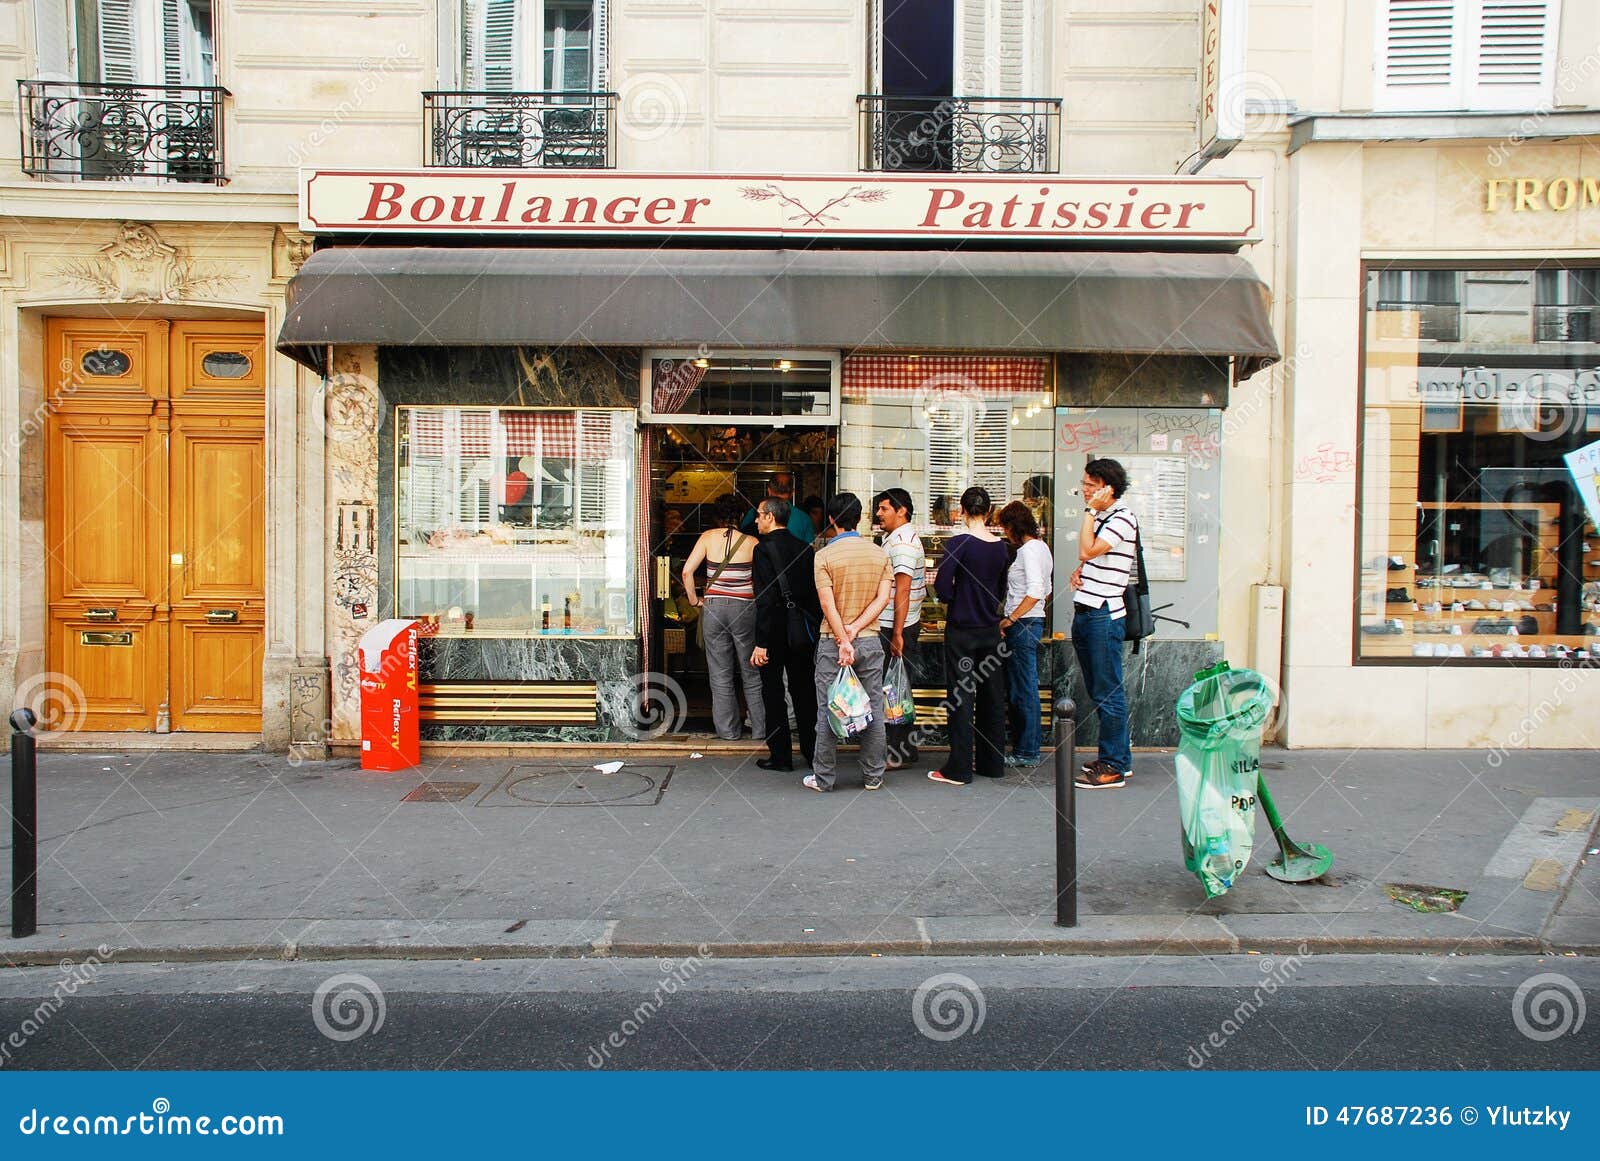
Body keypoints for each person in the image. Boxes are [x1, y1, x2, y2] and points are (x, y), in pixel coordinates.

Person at [807, 492, 892, 792]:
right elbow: (883, 599)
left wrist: (844, 638)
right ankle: (873, 777)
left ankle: (824, 778)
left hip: (834, 643)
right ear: (860, 519)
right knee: (873, 711)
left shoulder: (824, 556)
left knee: (828, 709)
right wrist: (856, 629)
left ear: (831, 519)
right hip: (869, 640)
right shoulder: (879, 554)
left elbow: (827, 605)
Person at [928, 486, 1011, 786]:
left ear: (962, 510)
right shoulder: (1001, 547)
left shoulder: (958, 543)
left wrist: (955, 598)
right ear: (989, 511)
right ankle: (992, 763)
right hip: (990, 630)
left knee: (961, 697)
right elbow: (1002, 588)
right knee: (992, 697)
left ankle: (959, 767)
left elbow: (941, 584)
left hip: (962, 630)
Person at [1071, 458, 1138, 789]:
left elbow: (1087, 550)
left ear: (1108, 488)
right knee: (1099, 689)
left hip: (1103, 614)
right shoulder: (1104, 517)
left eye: (1089, 486)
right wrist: (1082, 573)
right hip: (1087, 609)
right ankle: (1118, 758)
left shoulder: (1122, 518)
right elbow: (1092, 560)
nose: (1084, 491)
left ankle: (1112, 765)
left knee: (1108, 690)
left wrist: (1089, 513)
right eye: (1083, 485)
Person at [682, 493, 766, 742]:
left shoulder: (707, 538)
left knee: (720, 673)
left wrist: (694, 600)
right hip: (744, 608)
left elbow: (687, 572)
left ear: (716, 516)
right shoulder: (752, 542)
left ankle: (728, 732)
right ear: (741, 516)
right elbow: (760, 579)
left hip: (714, 607)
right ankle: (760, 731)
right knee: (751, 672)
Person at [750, 497, 820, 771]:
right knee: (804, 691)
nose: (756, 521)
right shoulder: (805, 548)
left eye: (758, 515)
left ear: (769, 517)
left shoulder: (763, 549)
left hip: (775, 629)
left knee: (773, 692)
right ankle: (811, 750)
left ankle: (780, 756)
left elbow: (765, 599)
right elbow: (813, 594)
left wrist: (761, 643)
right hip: (801, 630)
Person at [873, 488, 927, 769]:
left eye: (884, 509)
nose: (879, 514)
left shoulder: (903, 543)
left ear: (901, 510)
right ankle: (902, 749)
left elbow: (902, 589)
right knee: (895, 688)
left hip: (897, 627)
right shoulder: (896, 539)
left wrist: (896, 634)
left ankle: (899, 752)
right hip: (901, 624)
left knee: (893, 690)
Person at [997, 500, 1053, 767]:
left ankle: (1027, 752)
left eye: (1005, 527)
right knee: (1024, 686)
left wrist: (1011, 618)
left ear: (1013, 526)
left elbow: (1035, 591)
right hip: (1033, 621)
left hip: (1024, 624)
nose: (1005, 533)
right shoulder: (1042, 548)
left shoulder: (1029, 551)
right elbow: (1047, 589)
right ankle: (1026, 748)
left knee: (1023, 689)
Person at [744, 473, 814, 543]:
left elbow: (742, 540)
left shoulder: (755, 513)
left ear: (769, 491)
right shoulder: (804, 519)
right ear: (792, 493)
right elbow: (809, 548)